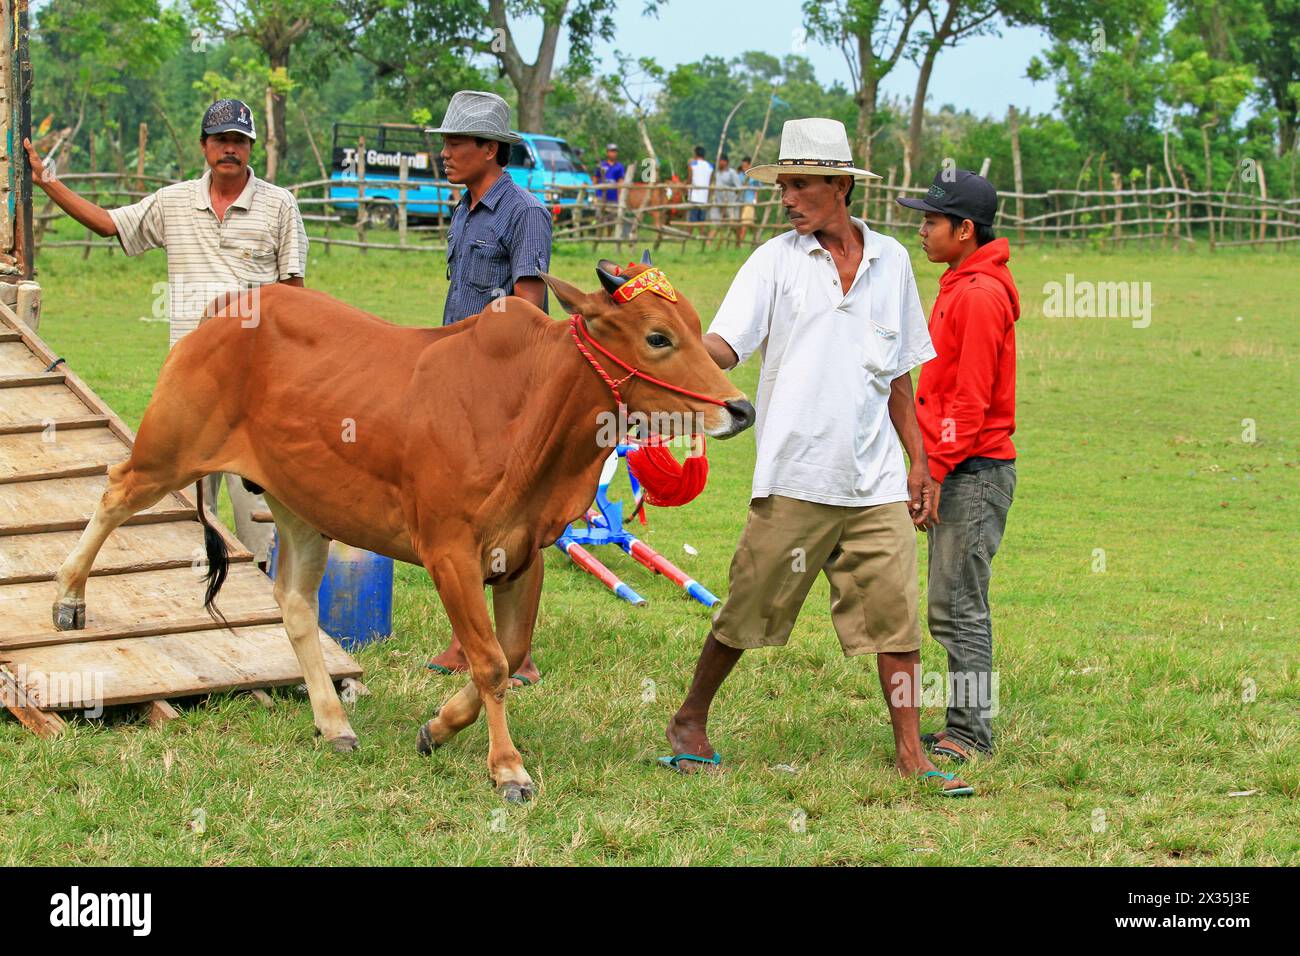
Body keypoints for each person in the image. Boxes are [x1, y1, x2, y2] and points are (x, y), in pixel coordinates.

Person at [659, 118, 973, 796]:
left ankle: (912, 754)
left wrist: (917, 464)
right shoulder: (774, 261)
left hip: (876, 479)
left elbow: (897, 377)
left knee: (897, 617)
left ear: (840, 186)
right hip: (796, 472)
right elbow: (723, 348)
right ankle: (689, 720)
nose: (788, 196)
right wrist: (670, 353)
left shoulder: (890, 262)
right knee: (746, 609)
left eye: (801, 184)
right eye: (785, 184)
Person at [24, 99, 307, 570]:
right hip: (192, 384)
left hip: (257, 383)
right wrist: (47, 182)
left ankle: (259, 590)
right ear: (204, 147)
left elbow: (296, 296)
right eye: (221, 140)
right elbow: (109, 224)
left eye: (238, 140)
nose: (229, 150)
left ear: (251, 147)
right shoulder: (174, 202)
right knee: (189, 505)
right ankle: (201, 592)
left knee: (257, 507)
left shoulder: (280, 205)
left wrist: (242, 313)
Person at [424, 89, 549, 686]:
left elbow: (528, 308)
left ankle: (517, 653)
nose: (445, 153)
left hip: (500, 385)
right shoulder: (462, 207)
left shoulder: (524, 212)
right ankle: (464, 638)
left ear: (489, 148)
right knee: (460, 512)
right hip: (455, 379)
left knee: (514, 518)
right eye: (444, 142)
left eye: (456, 143)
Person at [897, 169, 1019, 762]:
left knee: (958, 605)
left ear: (964, 229)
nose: (921, 230)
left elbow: (969, 401)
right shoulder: (960, 282)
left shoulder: (976, 294)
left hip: (972, 471)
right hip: (960, 464)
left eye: (930, 221)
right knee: (952, 601)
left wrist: (936, 470)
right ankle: (962, 724)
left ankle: (970, 734)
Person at [711, 153, 745, 244]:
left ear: (725, 162)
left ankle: (738, 243)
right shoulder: (717, 173)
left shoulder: (731, 173)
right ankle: (709, 242)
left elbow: (739, 188)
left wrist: (733, 200)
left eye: (720, 161)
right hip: (719, 202)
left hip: (731, 204)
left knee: (734, 224)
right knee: (716, 224)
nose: (718, 163)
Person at [596, 142, 625, 237]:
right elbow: (595, 179)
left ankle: (609, 235)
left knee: (611, 218)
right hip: (601, 195)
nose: (614, 153)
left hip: (613, 196)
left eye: (615, 151)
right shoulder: (601, 165)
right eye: (612, 151)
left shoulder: (619, 167)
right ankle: (598, 236)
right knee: (599, 216)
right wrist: (595, 193)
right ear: (607, 153)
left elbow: (621, 181)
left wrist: (620, 196)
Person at [736, 156, 760, 244]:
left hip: (749, 201)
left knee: (745, 223)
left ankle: (740, 243)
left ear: (749, 165)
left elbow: (757, 188)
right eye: (743, 166)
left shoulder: (754, 175)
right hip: (740, 201)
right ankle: (757, 238)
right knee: (748, 223)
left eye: (745, 166)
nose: (744, 168)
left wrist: (755, 199)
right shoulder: (739, 175)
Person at [686, 146, 713, 225]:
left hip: (694, 196)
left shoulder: (692, 165)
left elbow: (689, 179)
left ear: (695, 154)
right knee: (702, 221)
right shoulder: (710, 166)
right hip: (704, 197)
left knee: (691, 220)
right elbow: (710, 181)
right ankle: (701, 235)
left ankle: (688, 235)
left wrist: (685, 185)